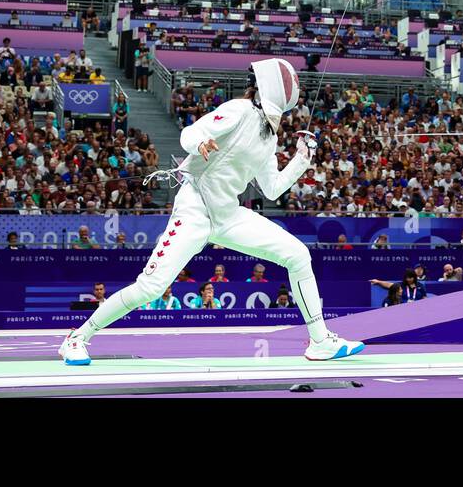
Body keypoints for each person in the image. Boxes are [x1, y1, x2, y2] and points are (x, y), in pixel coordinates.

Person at [59, 58, 362, 364]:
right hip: (195, 209)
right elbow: (189, 134)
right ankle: (77, 338)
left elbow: (272, 189)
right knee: (150, 287)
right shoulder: (239, 110)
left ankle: (320, 341)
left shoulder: (269, 138)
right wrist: (201, 142)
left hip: (229, 215)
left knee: (298, 256)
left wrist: (301, 160)